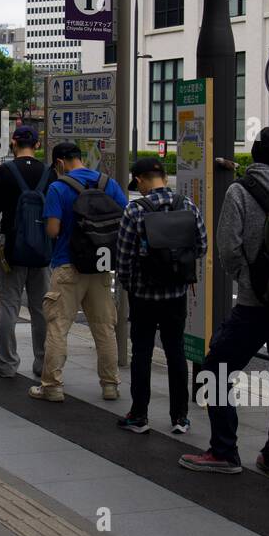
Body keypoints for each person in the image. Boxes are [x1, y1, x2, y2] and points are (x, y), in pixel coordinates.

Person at [179, 126, 269, 475]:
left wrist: (250, 279)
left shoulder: (240, 191)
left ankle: (224, 451)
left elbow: (227, 246)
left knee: (216, 371)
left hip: (254, 306)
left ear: (255, 153)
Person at [116, 157, 206, 434]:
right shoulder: (187, 206)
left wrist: (131, 285)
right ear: (164, 178)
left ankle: (139, 415)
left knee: (141, 353)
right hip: (177, 294)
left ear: (141, 179)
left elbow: (124, 258)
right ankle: (180, 417)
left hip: (143, 295)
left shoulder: (135, 211)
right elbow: (200, 247)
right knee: (175, 352)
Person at [31, 143, 127, 402]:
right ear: (80, 159)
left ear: (60, 163)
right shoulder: (108, 184)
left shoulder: (58, 187)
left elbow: (52, 229)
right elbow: (124, 219)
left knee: (58, 327)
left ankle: (52, 387)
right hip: (101, 266)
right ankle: (110, 385)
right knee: (104, 327)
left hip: (68, 265)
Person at [0, 125, 52, 379]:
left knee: (9, 306)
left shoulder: (3, 171)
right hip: (42, 248)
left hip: (12, 247)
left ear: (14, 143)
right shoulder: (49, 172)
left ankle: (6, 364)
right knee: (41, 308)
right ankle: (43, 362)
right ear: (37, 145)